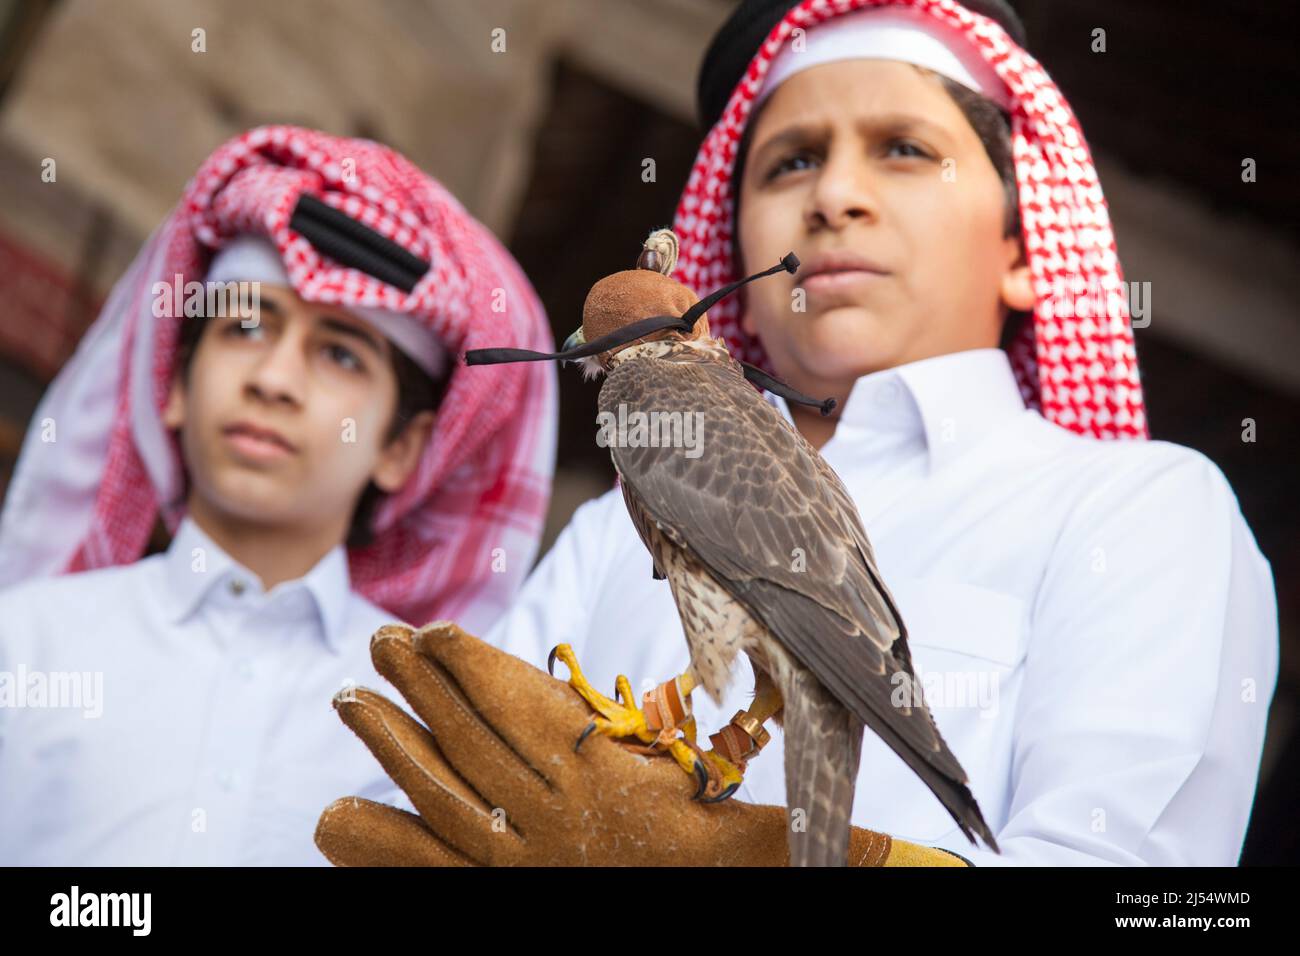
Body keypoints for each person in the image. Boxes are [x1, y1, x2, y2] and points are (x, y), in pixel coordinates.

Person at [319, 0, 1278, 866]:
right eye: (791, 161)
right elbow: (418, 807)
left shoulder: (1141, 507)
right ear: (729, 245)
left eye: (904, 148)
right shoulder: (610, 533)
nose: (834, 198)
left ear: (1029, 250)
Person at [0, 125, 557, 865]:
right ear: (173, 384)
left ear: (401, 449)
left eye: (338, 353)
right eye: (246, 326)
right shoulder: (29, 644)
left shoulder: (430, 731)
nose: (273, 379)